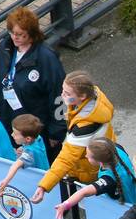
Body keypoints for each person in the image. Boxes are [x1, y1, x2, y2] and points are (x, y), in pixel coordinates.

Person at [0, 6, 67, 160]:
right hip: (8, 120)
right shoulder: (6, 47)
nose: (15, 38)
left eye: (20, 35)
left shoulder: (46, 58)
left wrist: (56, 131)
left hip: (35, 128)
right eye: (12, 33)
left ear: (31, 35)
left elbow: (58, 95)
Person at [33, 71, 116, 205]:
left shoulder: (85, 126)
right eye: (63, 90)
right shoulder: (95, 94)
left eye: (67, 93)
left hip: (89, 170)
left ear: (82, 96)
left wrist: (44, 185)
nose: (62, 95)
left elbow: (66, 159)